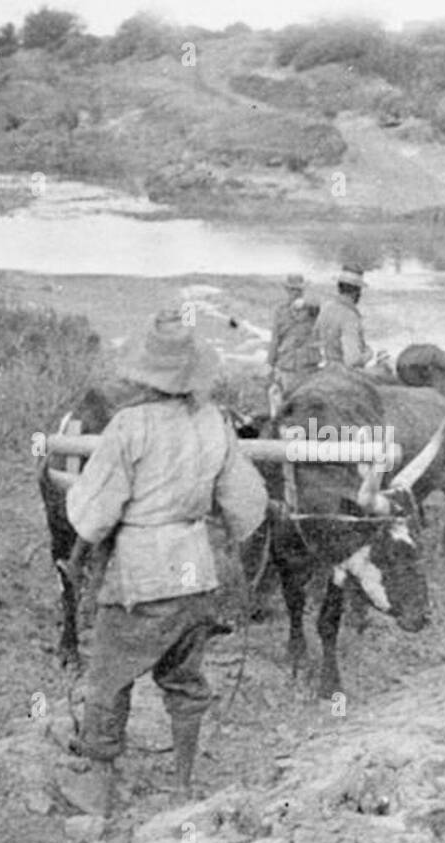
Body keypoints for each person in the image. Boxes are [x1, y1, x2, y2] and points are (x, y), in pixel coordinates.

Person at [63, 309, 267, 811]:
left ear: (144, 374)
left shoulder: (129, 426)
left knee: (109, 676)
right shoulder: (215, 423)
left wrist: (84, 513)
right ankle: (183, 782)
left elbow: (92, 517)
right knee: (184, 678)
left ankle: (96, 788)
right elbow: (246, 505)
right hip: (196, 570)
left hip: (143, 575)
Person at [266, 274, 323, 397]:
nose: (295, 293)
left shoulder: (311, 309)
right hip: (287, 366)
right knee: (287, 404)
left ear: (303, 291)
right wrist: (269, 364)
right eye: (292, 289)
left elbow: (320, 305)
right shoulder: (280, 310)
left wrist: (305, 303)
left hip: (308, 367)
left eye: (298, 289)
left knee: (310, 407)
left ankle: (312, 418)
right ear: (287, 290)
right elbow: (275, 340)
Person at [316, 264, 372, 369]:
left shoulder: (326, 308)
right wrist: (368, 355)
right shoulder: (350, 316)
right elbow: (351, 360)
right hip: (344, 375)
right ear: (356, 292)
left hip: (327, 368)